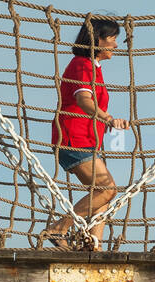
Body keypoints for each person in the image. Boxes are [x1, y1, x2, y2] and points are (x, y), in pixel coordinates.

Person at [44, 17, 130, 249]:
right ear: (97, 40)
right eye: (112, 39)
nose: (115, 45)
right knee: (107, 189)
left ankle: (94, 244)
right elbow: (83, 100)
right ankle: (58, 228)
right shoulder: (82, 64)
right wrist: (109, 119)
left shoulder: (93, 67)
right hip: (74, 140)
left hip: (85, 142)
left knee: (102, 194)